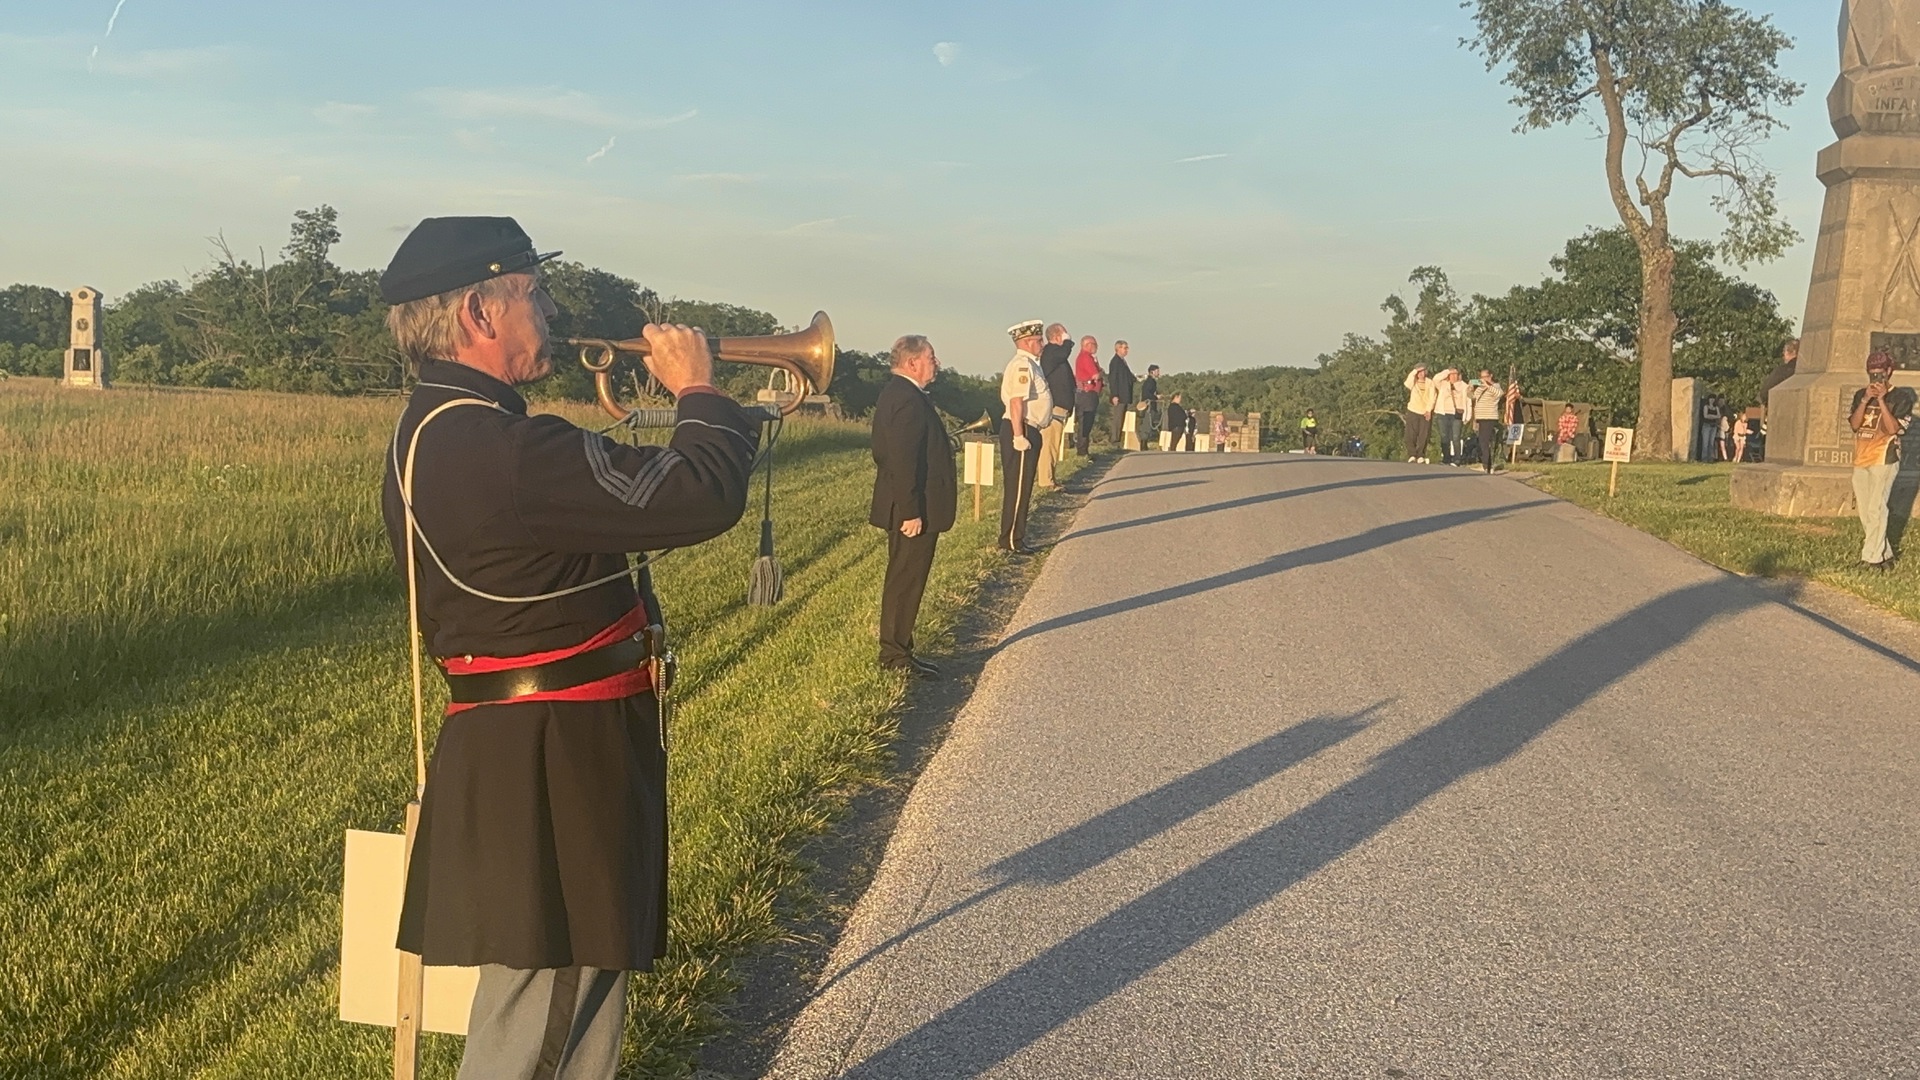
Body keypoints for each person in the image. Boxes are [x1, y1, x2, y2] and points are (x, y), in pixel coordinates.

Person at [377, 216, 762, 1080]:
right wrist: (698, 392)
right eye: (532, 293)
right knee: (547, 1029)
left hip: (528, 744)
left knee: (548, 1009)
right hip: (550, 755)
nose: (549, 309)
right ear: (480, 311)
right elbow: (698, 495)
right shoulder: (503, 448)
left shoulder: (440, 429)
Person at [870, 335, 955, 678]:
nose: (936, 363)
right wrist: (910, 512)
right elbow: (901, 460)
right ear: (913, 363)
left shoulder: (901, 394)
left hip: (911, 505)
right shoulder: (906, 399)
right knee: (905, 580)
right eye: (931, 357)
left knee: (906, 579)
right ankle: (894, 656)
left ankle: (900, 649)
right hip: (912, 509)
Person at [1849, 349, 1914, 571]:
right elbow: (1855, 425)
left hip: (1884, 457)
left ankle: (1871, 559)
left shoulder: (1902, 398)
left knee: (1877, 508)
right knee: (1866, 512)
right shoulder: (1860, 395)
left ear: (1889, 372)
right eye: (1872, 374)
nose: (1876, 379)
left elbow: (1893, 428)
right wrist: (1866, 399)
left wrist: (1882, 400)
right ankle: (1885, 554)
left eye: (1880, 374)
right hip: (1861, 456)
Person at [999, 320, 1050, 554]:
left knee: (1024, 486)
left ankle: (1017, 536)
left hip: (1031, 428)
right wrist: (1019, 435)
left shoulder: (1032, 363)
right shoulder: (1022, 364)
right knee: (1018, 488)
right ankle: (1011, 540)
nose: (1043, 344)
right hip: (1022, 428)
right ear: (1027, 342)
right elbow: (1017, 401)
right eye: (1039, 340)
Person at [1036, 323, 1075, 487]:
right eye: (1064, 334)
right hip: (1055, 407)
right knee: (1049, 445)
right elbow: (1064, 353)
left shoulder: (1055, 354)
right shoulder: (1052, 352)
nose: (1067, 336)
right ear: (1057, 336)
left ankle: (1049, 477)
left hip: (1061, 407)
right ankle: (1046, 480)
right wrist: (1068, 342)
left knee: (1053, 445)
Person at [1431, 368, 1471, 465]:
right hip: (1443, 413)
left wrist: (1468, 416)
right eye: (1451, 374)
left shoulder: (1464, 386)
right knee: (1444, 437)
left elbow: (1468, 401)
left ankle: (1457, 459)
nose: (1454, 376)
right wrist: (1447, 371)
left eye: (1455, 374)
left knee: (1456, 437)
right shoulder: (1443, 384)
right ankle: (1446, 458)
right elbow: (1435, 379)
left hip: (1456, 414)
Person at [1072, 335, 1102, 456]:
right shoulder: (1086, 357)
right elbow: (1095, 375)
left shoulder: (1085, 357)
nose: (1096, 347)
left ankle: (1083, 450)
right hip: (1087, 394)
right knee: (1085, 423)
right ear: (1087, 345)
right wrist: (1100, 372)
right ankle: (1082, 451)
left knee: (1086, 423)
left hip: (1086, 394)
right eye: (1094, 344)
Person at [1470, 370, 1506, 473]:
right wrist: (1470, 389)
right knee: (1482, 441)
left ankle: (1487, 465)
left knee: (1485, 441)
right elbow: (1472, 397)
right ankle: (1487, 464)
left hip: (1489, 417)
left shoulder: (1495, 386)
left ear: (1491, 376)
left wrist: (1488, 385)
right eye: (1481, 377)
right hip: (1480, 417)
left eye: (1486, 376)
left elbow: (1499, 394)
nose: (1483, 379)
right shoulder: (1480, 389)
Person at [1107, 340, 1137, 448]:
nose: (1127, 350)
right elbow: (1113, 379)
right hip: (1119, 395)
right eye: (1125, 348)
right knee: (1118, 417)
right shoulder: (1115, 362)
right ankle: (1114, 440)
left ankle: (1117, 439)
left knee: (1121, 417)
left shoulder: (1122, 361)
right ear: (1118, 348)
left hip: (1124, 394)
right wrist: (1114, 394)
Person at [1403, 365, 1435, 462]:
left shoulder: (1430, 383)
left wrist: (1429, 410)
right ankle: (1412, 454)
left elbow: (1432, 397)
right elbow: (1407, 383)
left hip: (1425, 411)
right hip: (1413, 409)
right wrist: (1414, 371)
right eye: (1419, 372)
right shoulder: (1413, 381)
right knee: (1411, 433)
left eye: (1423, 371)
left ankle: (1421, 454)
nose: (1421, 374)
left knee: (1424, 434)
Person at [1139, 364, 1162, 448]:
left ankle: (1144, 443)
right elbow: (1147, 394)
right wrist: (1156, 397)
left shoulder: (1150, 381)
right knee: (1147, 425)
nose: (1159, 373)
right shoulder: (1150, 382)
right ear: (1152, 372)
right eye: (1157, 371)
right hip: (1149, 406)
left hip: (1150, 406)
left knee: (1148, 425)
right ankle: (1143, 444)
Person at [1699, 395, 1724, 462]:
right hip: (1706, 426)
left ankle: (1710, 458)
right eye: (1711, 399)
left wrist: (1711, 416)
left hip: (1713, 426)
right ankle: (1704, 458)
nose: (1712, 400)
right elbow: (1705, 416)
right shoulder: (1706, 407)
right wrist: (1714, 416)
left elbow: (1719, 416)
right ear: (1708, 399)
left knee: (1711, 443)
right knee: (1705, 443)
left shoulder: (1716, 408)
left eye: (1713, 399)